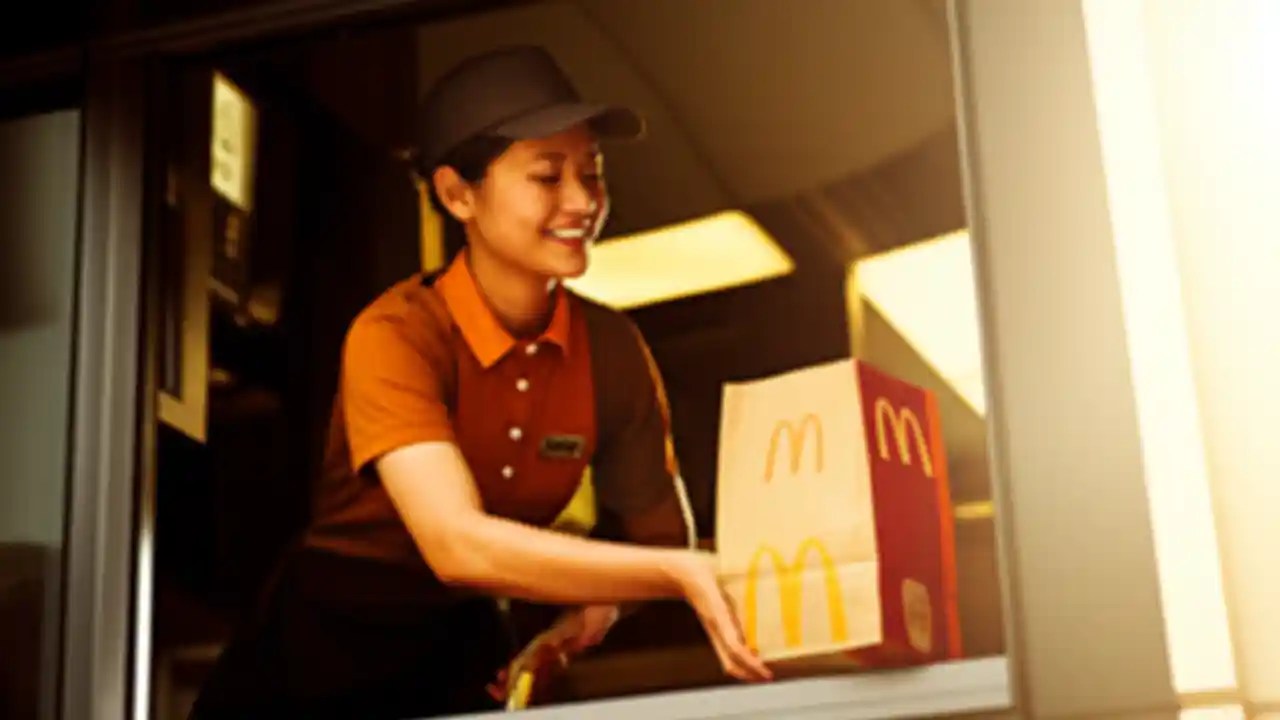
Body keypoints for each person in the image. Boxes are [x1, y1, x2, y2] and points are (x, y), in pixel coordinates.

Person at [189, 45, 770, 719]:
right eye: (548, 176)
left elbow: (659, 544)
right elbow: (456, 544)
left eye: (593, 172)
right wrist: (675, 575)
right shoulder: (398, 333)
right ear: (456, 194)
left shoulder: (612, 351)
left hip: (464, 639)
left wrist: (587, 620)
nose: (582, 200)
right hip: (323, 646)